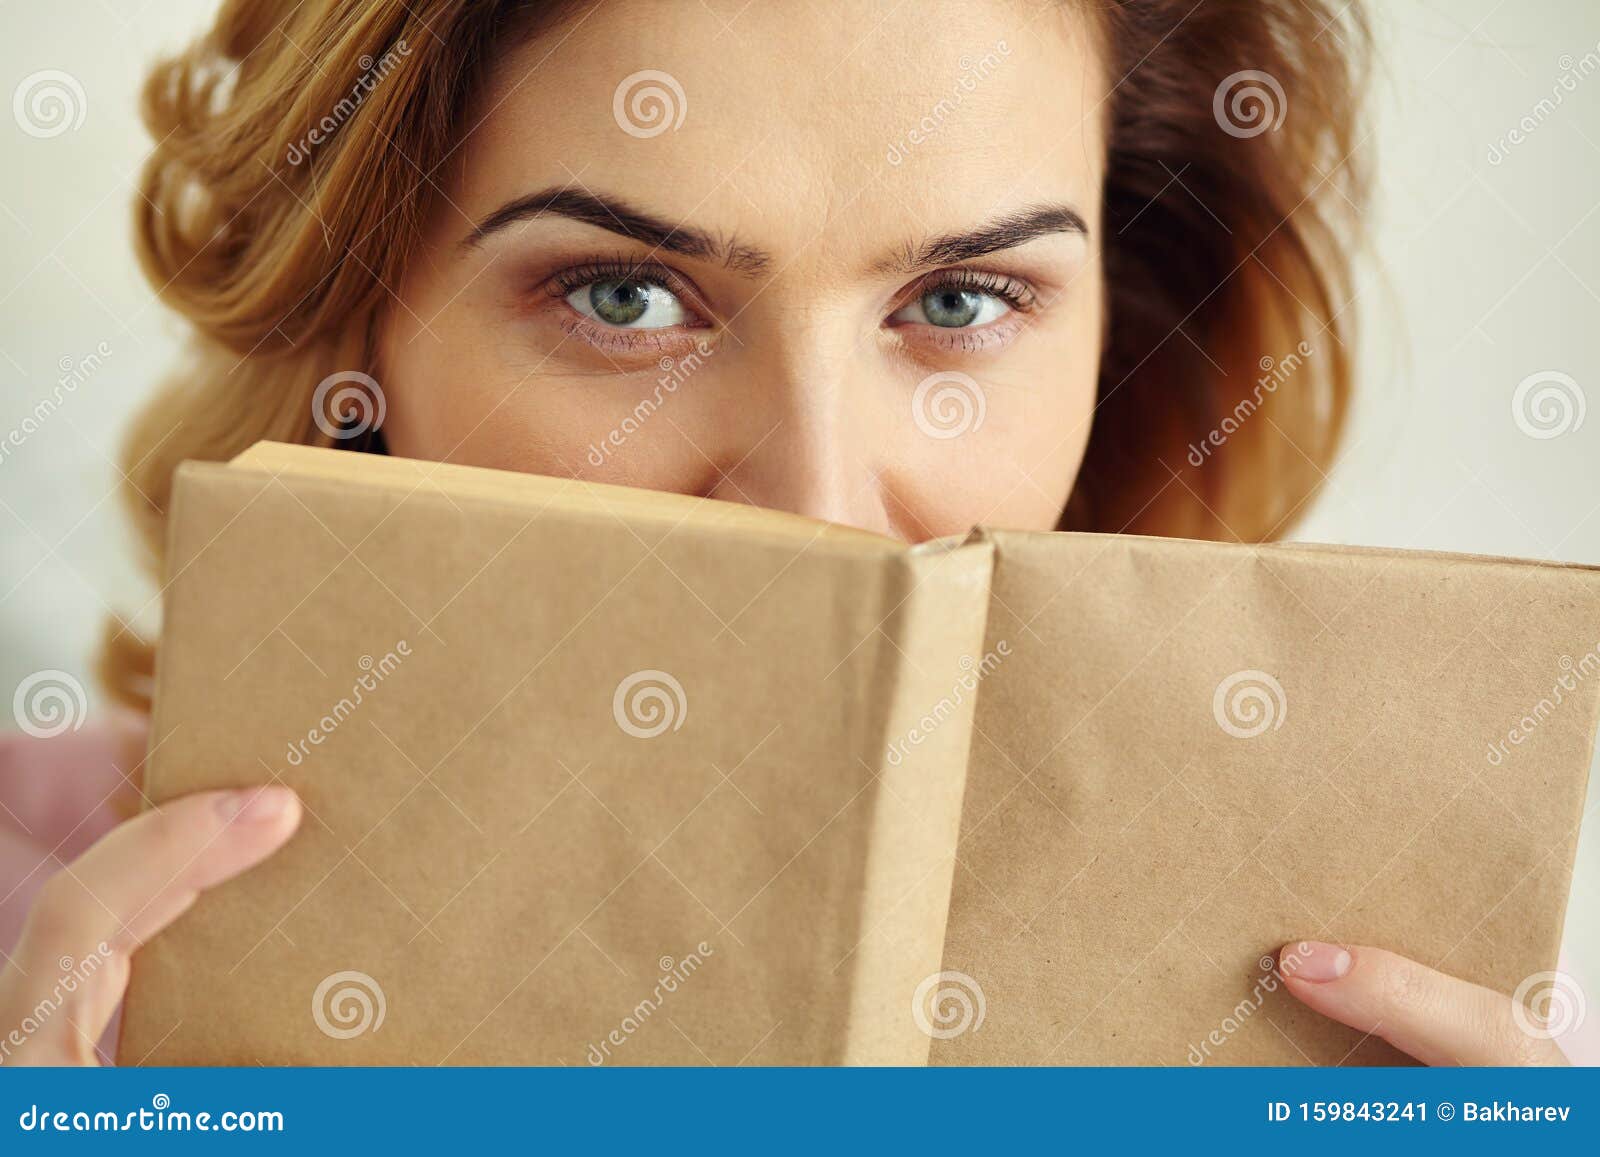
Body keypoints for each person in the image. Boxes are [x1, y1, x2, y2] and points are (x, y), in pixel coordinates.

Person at [0, 0, 1576, 1065]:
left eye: (959, 302)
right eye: (625, 298)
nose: (822, 502)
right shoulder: (43, 942)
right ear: (360, 335)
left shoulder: (1388, 1014)